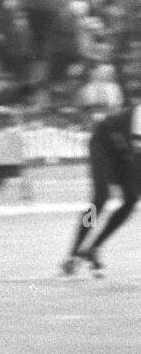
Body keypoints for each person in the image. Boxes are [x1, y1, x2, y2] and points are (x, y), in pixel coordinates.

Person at [63, 105, 141, 276]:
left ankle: (94, 248)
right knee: (100, 198)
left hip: (124, 151)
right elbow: (137, 160)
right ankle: (74, 252)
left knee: (131, 199)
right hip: (102, 142)